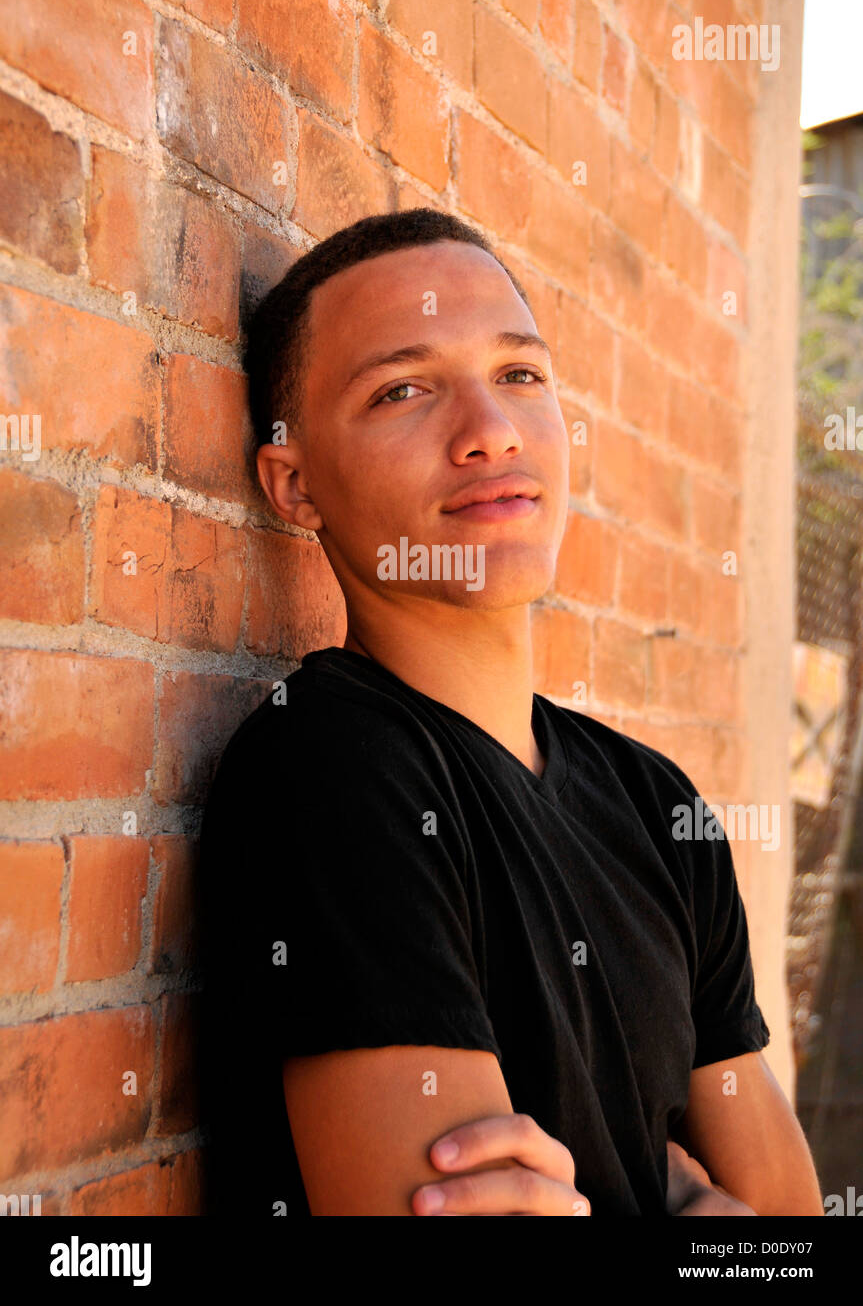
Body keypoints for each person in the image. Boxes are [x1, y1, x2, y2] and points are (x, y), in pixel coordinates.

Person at [199, 207, 823, 1217]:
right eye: (402, 390)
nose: (488, 431)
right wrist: (679, 1195)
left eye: (519, 375)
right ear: (294, 481)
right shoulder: (327, 767)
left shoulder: (655, 802)